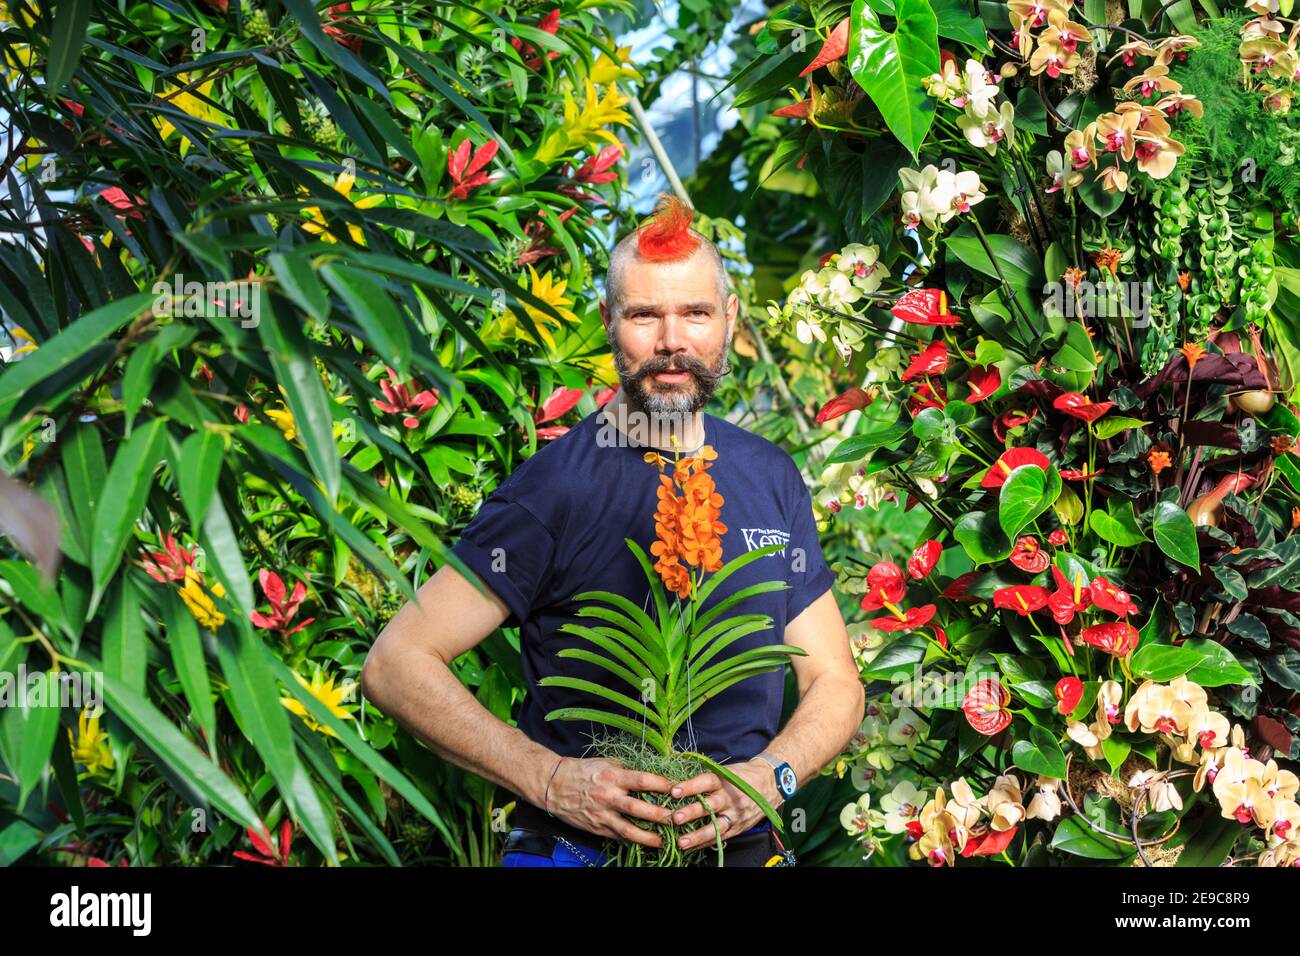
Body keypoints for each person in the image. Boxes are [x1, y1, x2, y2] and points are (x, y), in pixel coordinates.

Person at [361, 194, 864, 867]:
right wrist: (549, 778)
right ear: (607, 322)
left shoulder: (769, 477)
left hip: (736, 850)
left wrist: (770, 776)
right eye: (644, 315)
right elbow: (396, 665)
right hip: (577, 850)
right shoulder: (556, 486)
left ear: (729, 319)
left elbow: (835, 679)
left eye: (695, 313)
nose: (671, 342)